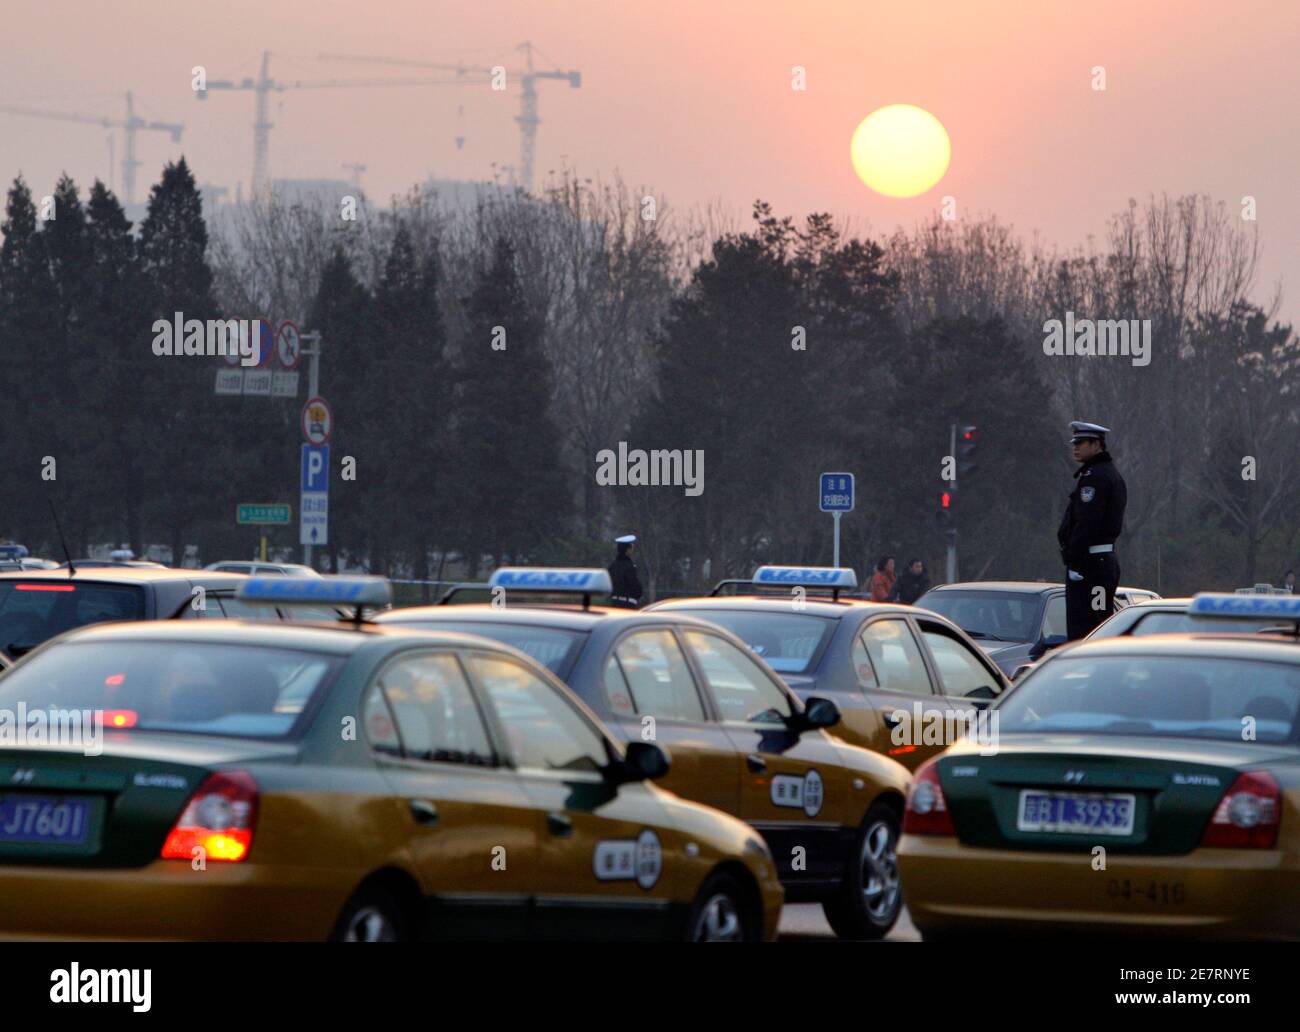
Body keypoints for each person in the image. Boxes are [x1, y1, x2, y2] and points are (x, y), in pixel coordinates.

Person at [1057, 420, 1127, 640]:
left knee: (1087, 629)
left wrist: (1075, 559)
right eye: (1074, 442)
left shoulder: (1095, 477)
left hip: (1091, 567)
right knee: (1096, 622)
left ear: (1097, 445)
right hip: (1098, 564)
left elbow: (1087, 522)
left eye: (1081, 442)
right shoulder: (1103, 474)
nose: (1076, 447)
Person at [606, 534, 644, 609]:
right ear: (628, 549)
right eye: (631, 547)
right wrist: (639, 593)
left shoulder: (612, 566)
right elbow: (634, 585)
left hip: (614, 603)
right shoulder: (629, 566)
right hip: (627, 604)